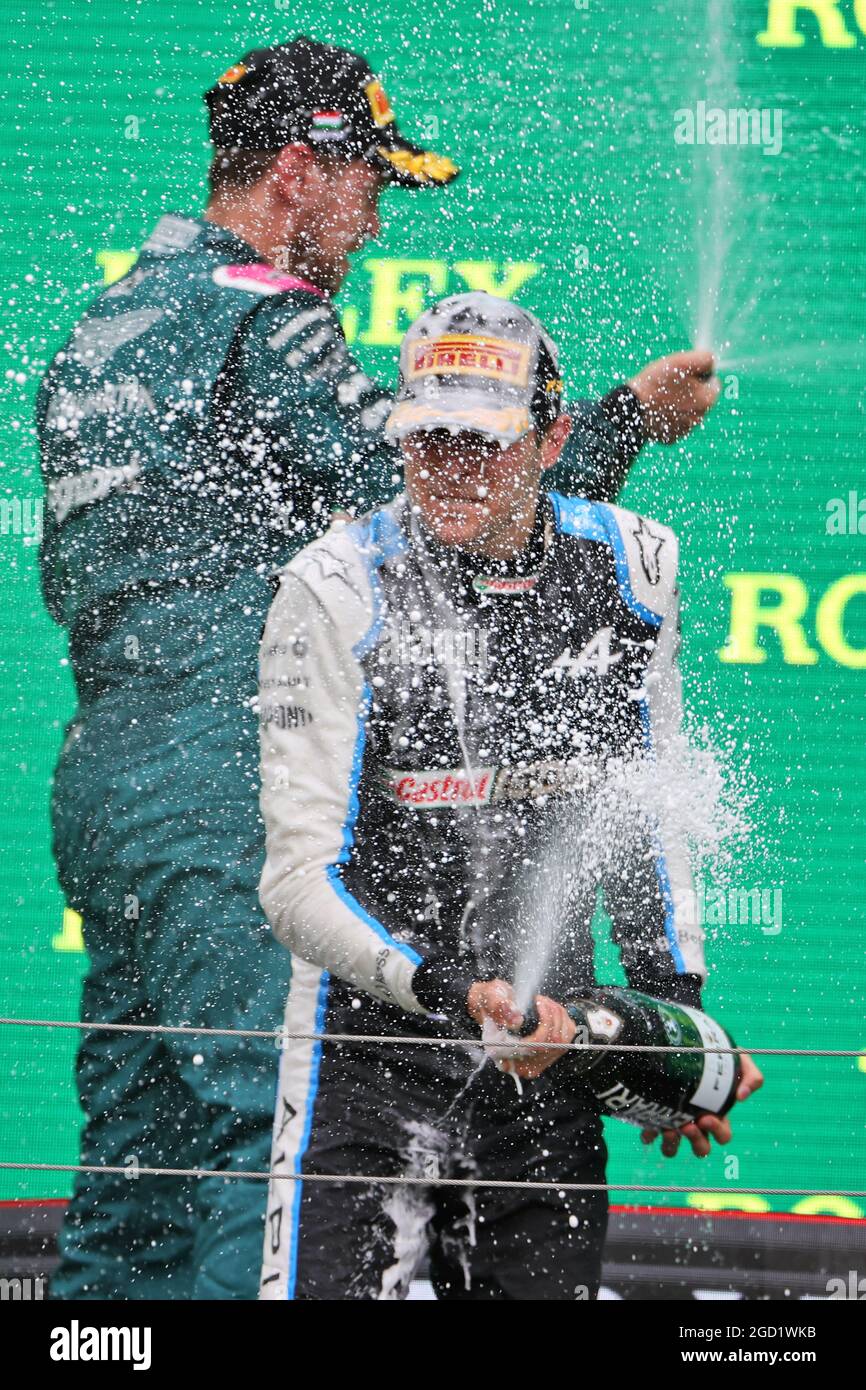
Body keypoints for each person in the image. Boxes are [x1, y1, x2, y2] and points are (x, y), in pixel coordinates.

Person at [37, 34, 719, 1301]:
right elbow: (447, 497)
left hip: (107, 788)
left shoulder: (108, 316)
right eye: (368, 188)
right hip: (221, 773)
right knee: (267, 1145)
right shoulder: (270, 317)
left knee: (132, 1174)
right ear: (298, 171)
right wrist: (619, 424)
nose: (369, 227)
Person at [257, 291, 760, 1301]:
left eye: (480, 441)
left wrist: (673, 1034)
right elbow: (294, 885)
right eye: (424, 437)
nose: (447, 465)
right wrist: (447, 992)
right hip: (369, 1052)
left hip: (546, 1049)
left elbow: (646, 808)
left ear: (551, 437)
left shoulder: (631, 567)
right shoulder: (333, 584)